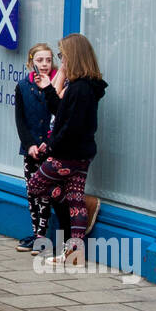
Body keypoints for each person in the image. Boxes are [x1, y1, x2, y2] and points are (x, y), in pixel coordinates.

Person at [25, 34, 106, 267]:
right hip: (81, 153)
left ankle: (82, 209)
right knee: (74, 200)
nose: (61, 61)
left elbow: (69, 126)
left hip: (68, 154)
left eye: (63, 56)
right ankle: (74, 254)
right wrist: (50, 88)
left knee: (36, 185)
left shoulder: (80, 89)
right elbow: (61, 113)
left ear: (74, 57)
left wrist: (50, 147)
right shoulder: (85, 86)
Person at [14, 43, 56, 253]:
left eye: (48, 60)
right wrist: (29, 144)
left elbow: (57, 117)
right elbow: (20, 119)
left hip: (49, 147)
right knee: (31, 191)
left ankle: (42, 236)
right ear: (31, 63)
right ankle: (34, 232)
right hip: (30, 148)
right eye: (40, 60)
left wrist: (47, 143)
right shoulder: (22, 86)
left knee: (45, 192)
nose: (45, 64)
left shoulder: (56, 84)